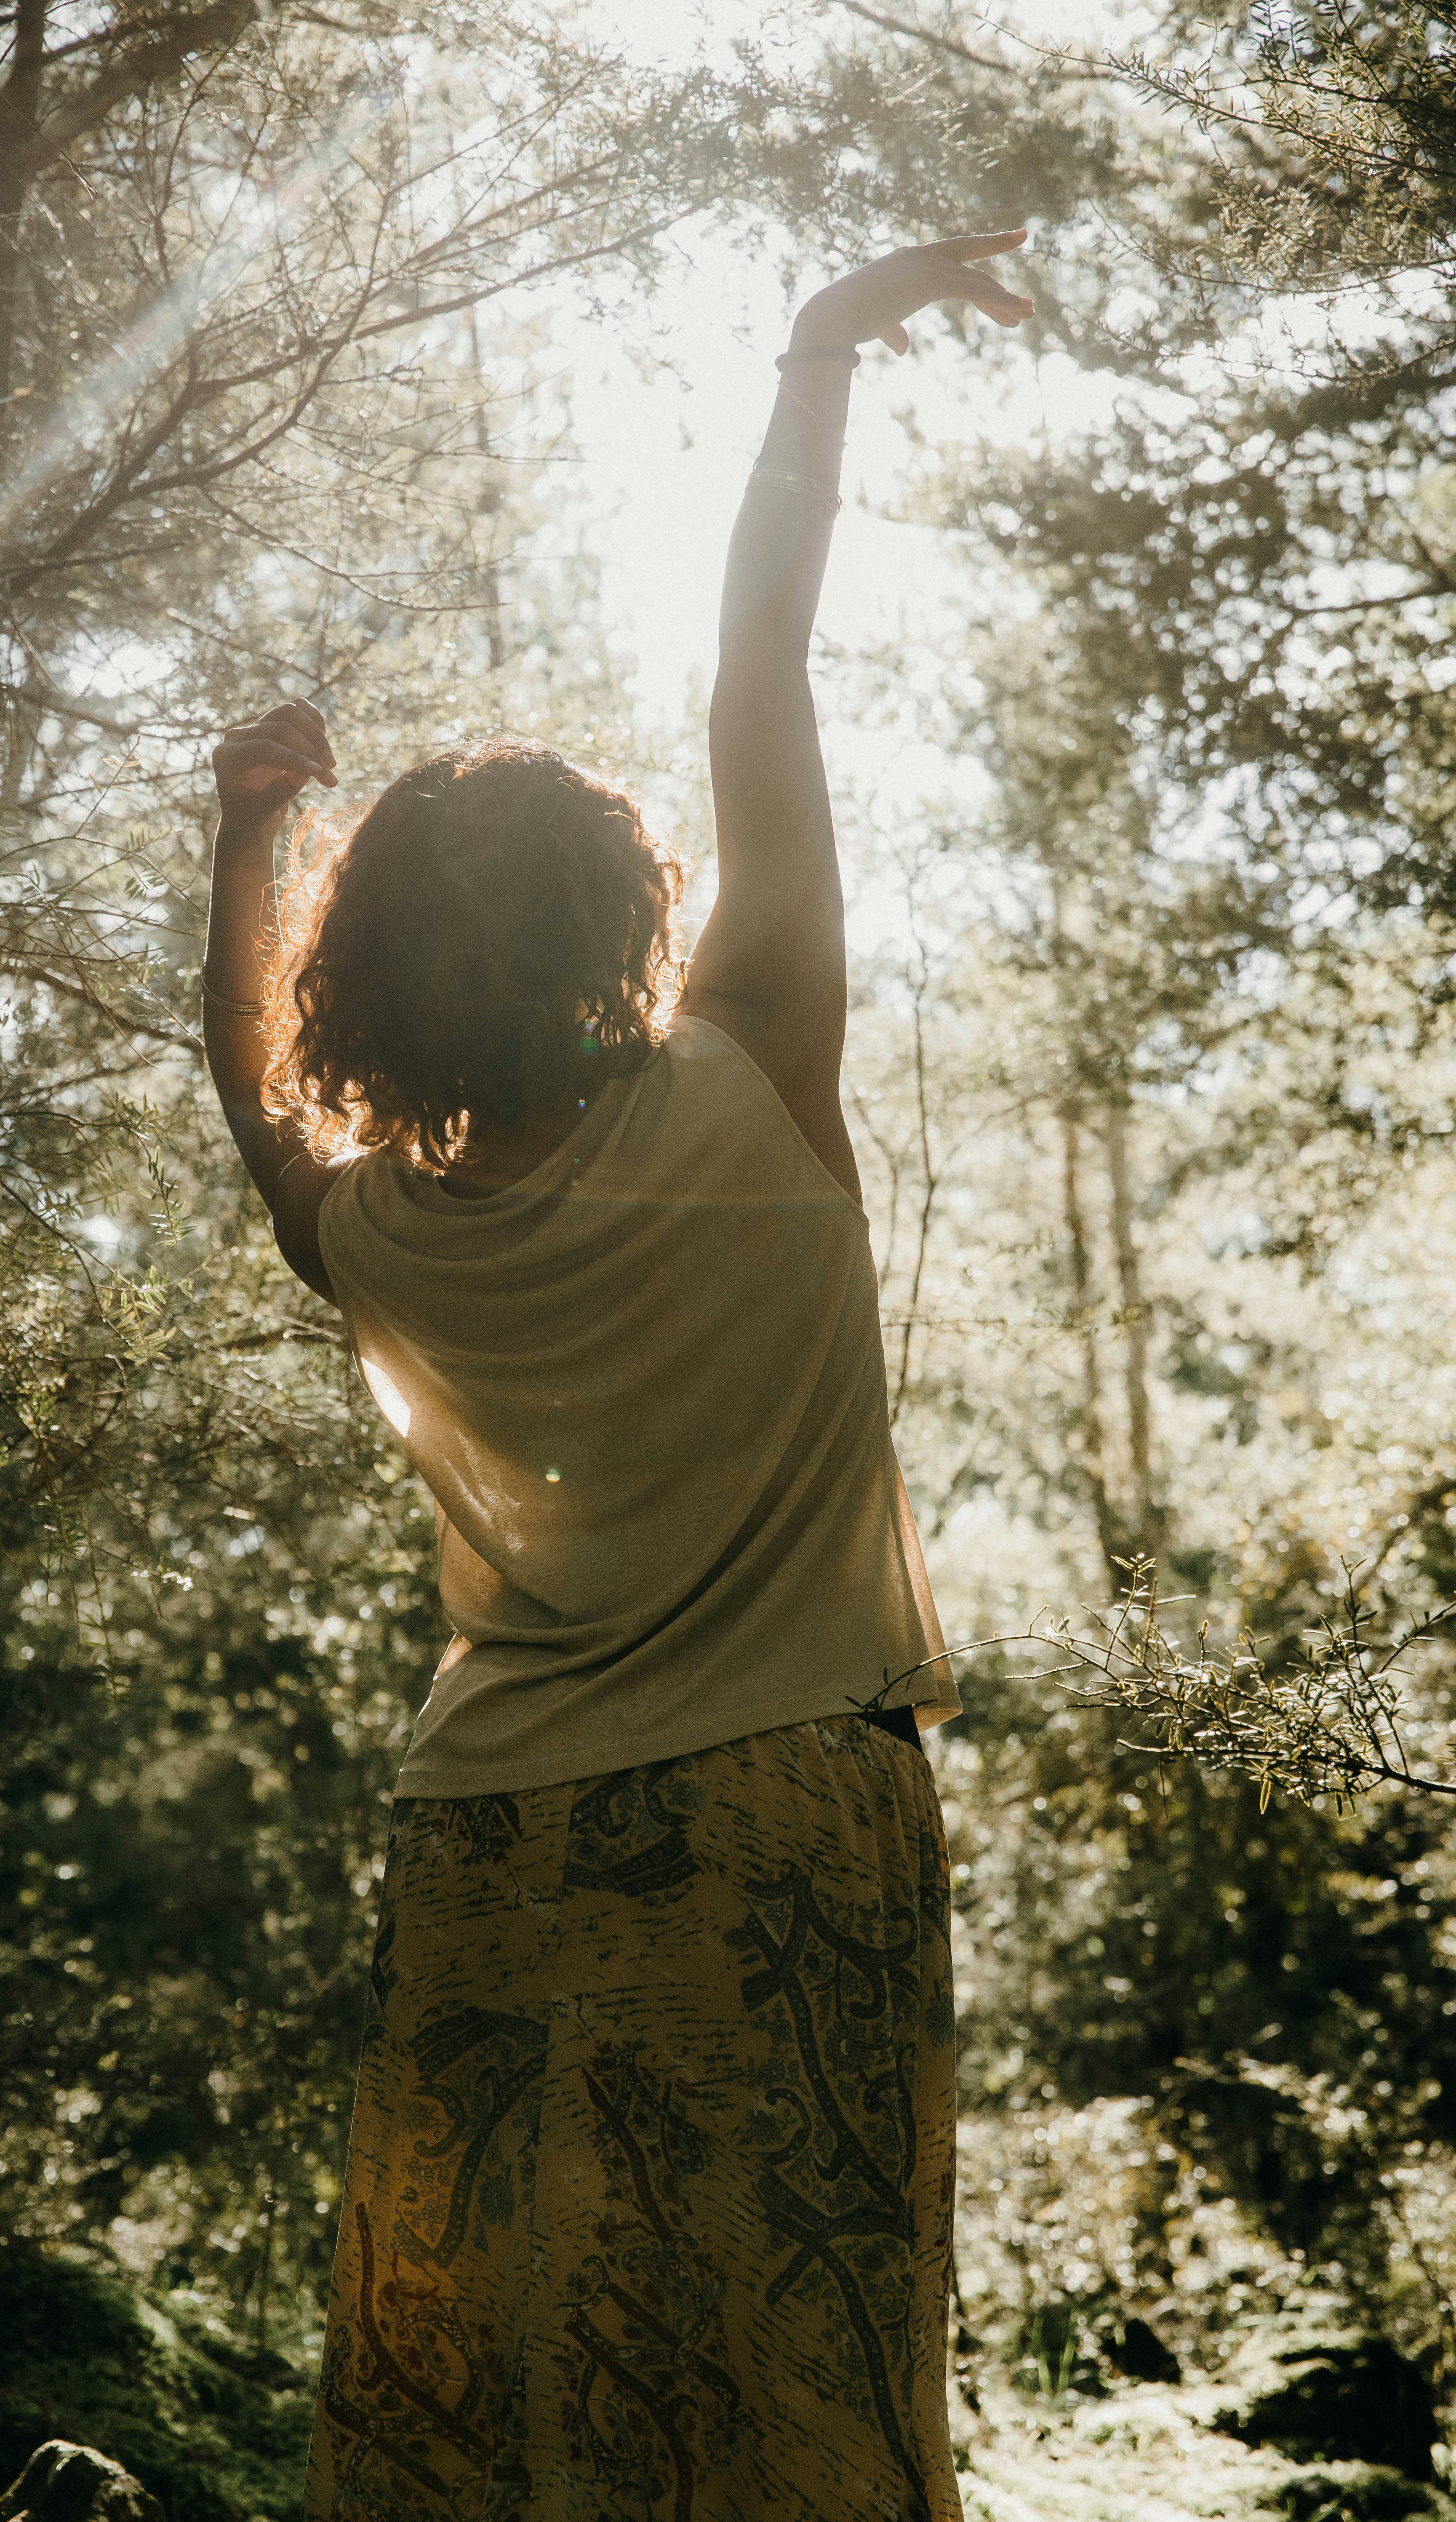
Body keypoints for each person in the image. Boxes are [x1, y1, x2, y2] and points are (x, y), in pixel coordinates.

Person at [203, 232, 1034, 2522]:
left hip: (487, 1832)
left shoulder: (379, 1231)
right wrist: (810, 356)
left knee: (477, 2413)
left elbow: (260, 1111)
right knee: (795, 2392)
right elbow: (761, 663)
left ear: (374, 985)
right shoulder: (756, 1076)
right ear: (621, 918)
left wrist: (244, 839)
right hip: (779, 1818)